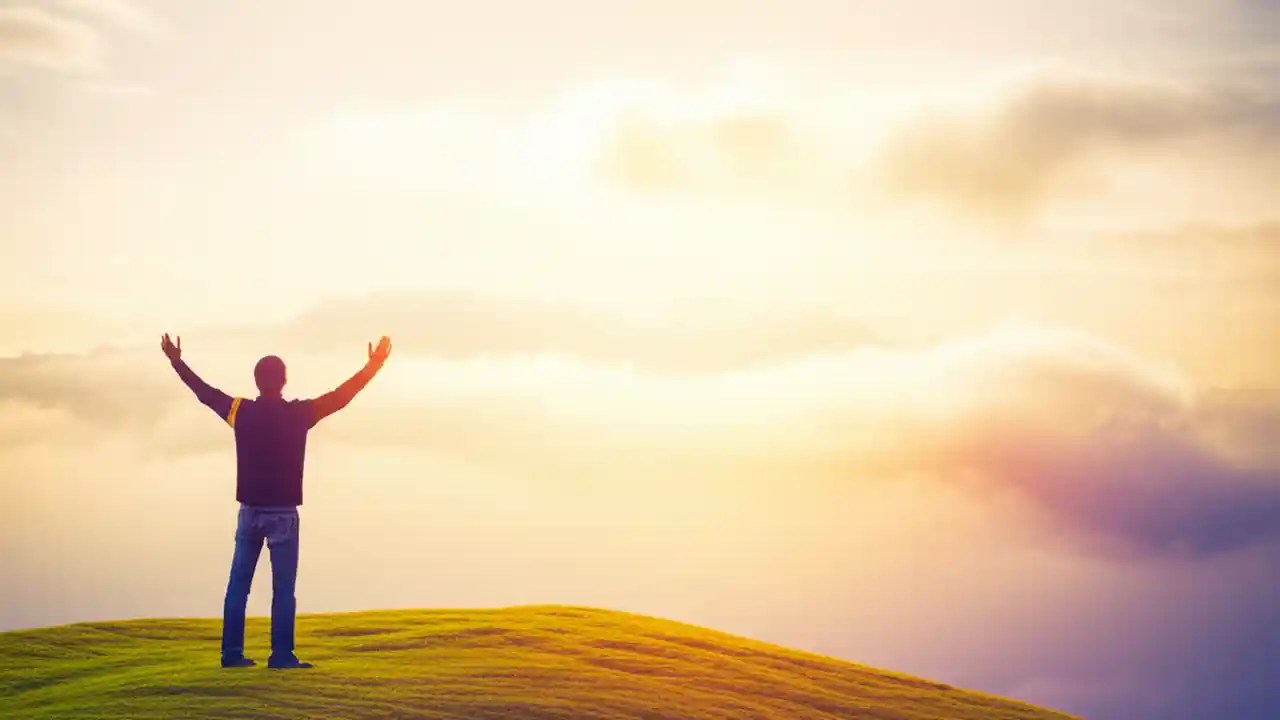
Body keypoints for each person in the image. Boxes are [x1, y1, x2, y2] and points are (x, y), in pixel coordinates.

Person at [161, 333, 392, 669]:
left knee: (238, 586)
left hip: (249, 512)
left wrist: (176, 361)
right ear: (284, 381)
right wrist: (374, 365)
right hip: (283, 514)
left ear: (257, 382)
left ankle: (231, 654)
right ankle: (282, 655)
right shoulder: (300, 414)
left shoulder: (240, 411)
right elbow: (341, 397)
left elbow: (204, 393)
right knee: (283, 588)